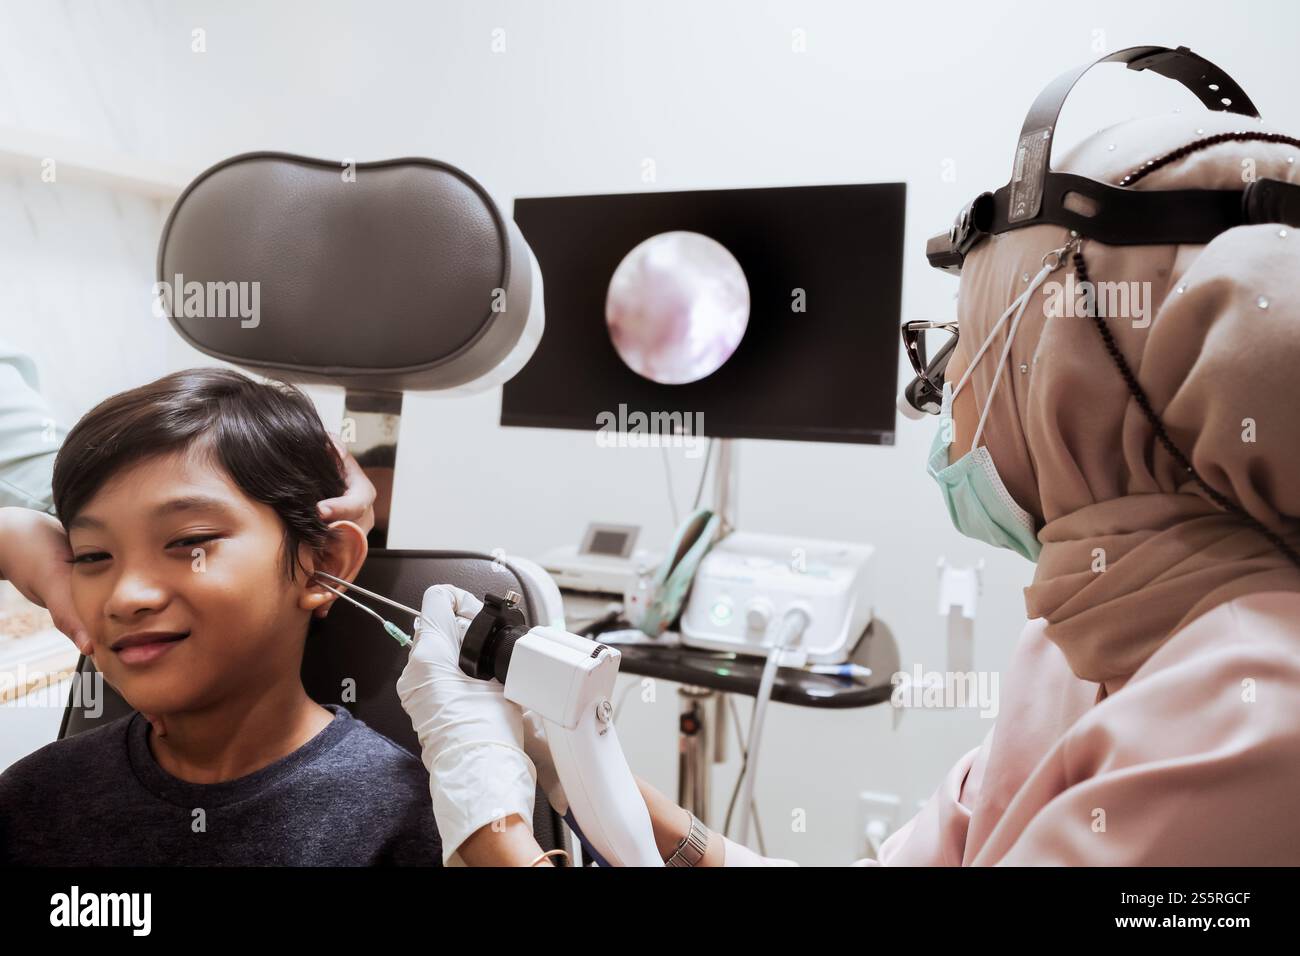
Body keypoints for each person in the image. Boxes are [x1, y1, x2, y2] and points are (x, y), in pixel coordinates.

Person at [396, 108, 1300, 865]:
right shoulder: (1075, 645)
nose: (945, 399)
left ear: (1069, 379)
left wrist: (486, 812)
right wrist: (596, 784)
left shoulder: (1250, 726)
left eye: (968, 343)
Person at [0, 368, 439, 865]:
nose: (126, 596)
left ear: (323, 567)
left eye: (189, 542)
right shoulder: (33, 799)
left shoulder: (408, 822)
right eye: (93, 556)